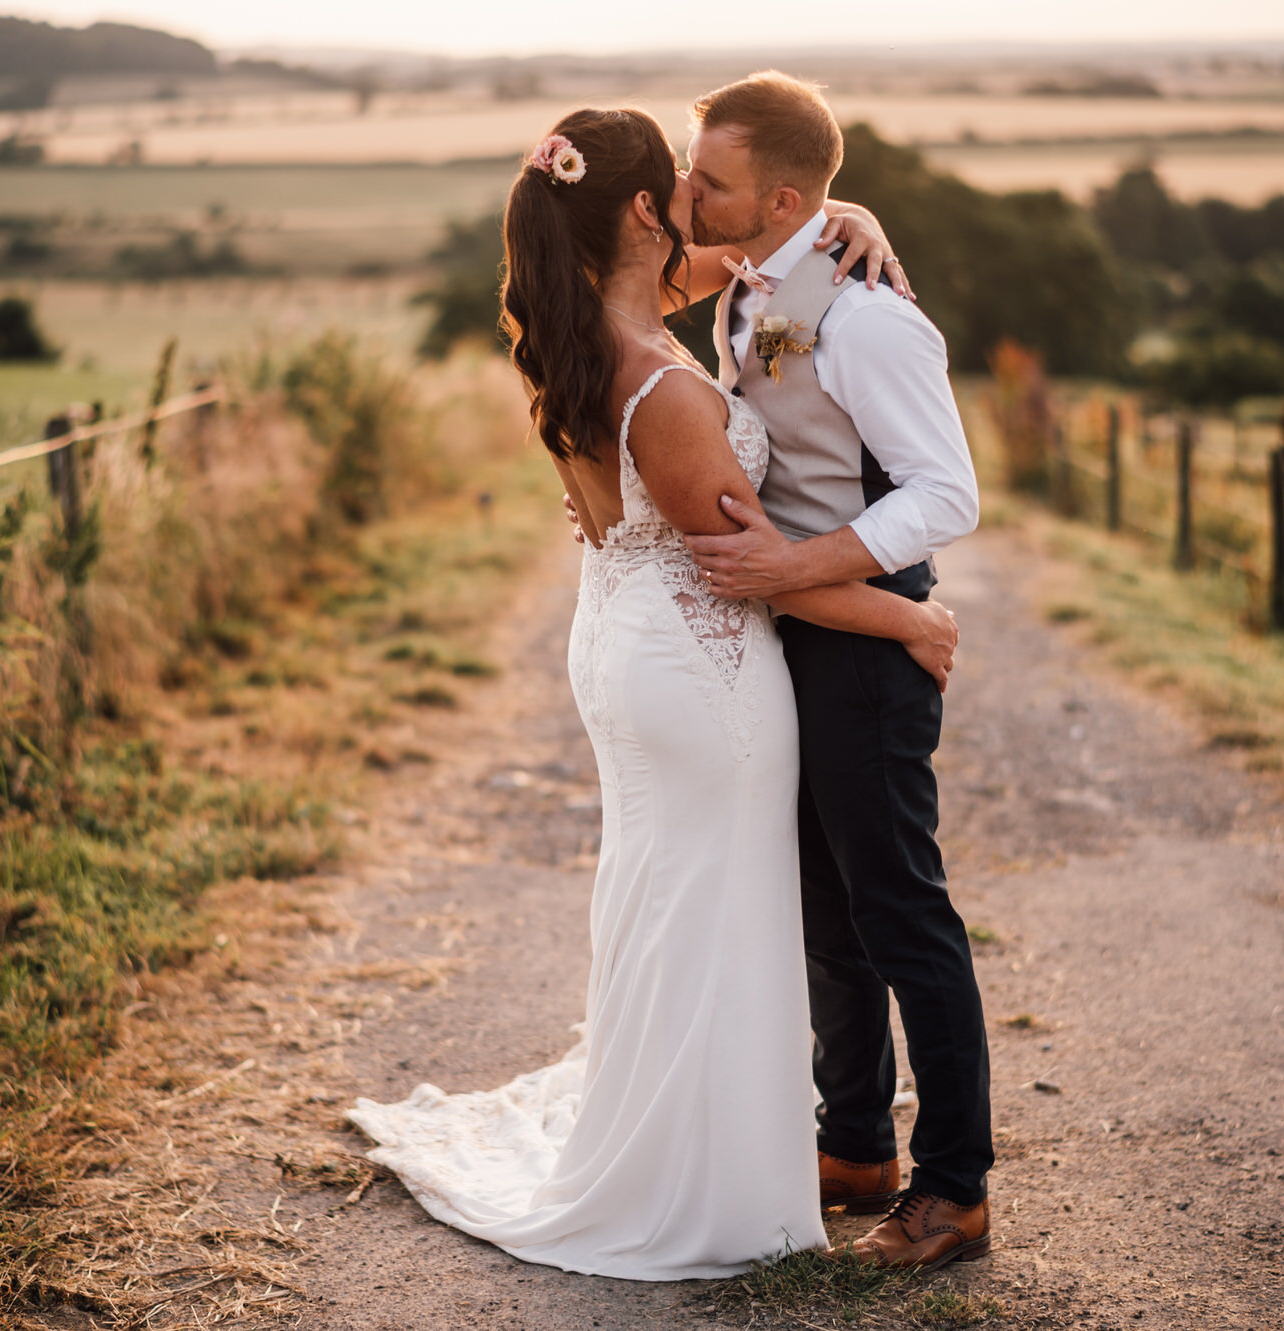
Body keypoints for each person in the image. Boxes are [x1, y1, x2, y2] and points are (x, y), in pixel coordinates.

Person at [348, 102, 959, 1280]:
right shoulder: (663, 391)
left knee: (675, 888)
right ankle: (707, 1174)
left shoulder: (590, 326)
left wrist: (844, 212)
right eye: (679, 179)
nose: (694, 191)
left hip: (627, 644)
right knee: (717, 897)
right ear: (641, 210)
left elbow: (766, 243)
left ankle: (754, 1136)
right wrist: (906, 615)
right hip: (695, 665)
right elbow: (756, 568)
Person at [679, 71, 992, 1271]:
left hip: (861, 632)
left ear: (780, 196)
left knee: (901, 908)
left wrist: (796, 564)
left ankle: (953, 1188)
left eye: (706, 179)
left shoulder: (867, 318)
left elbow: (947, 491)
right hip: (789, 623)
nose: (685, 191)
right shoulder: (757, 270)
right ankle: (854, 1143)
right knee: (825, 908)